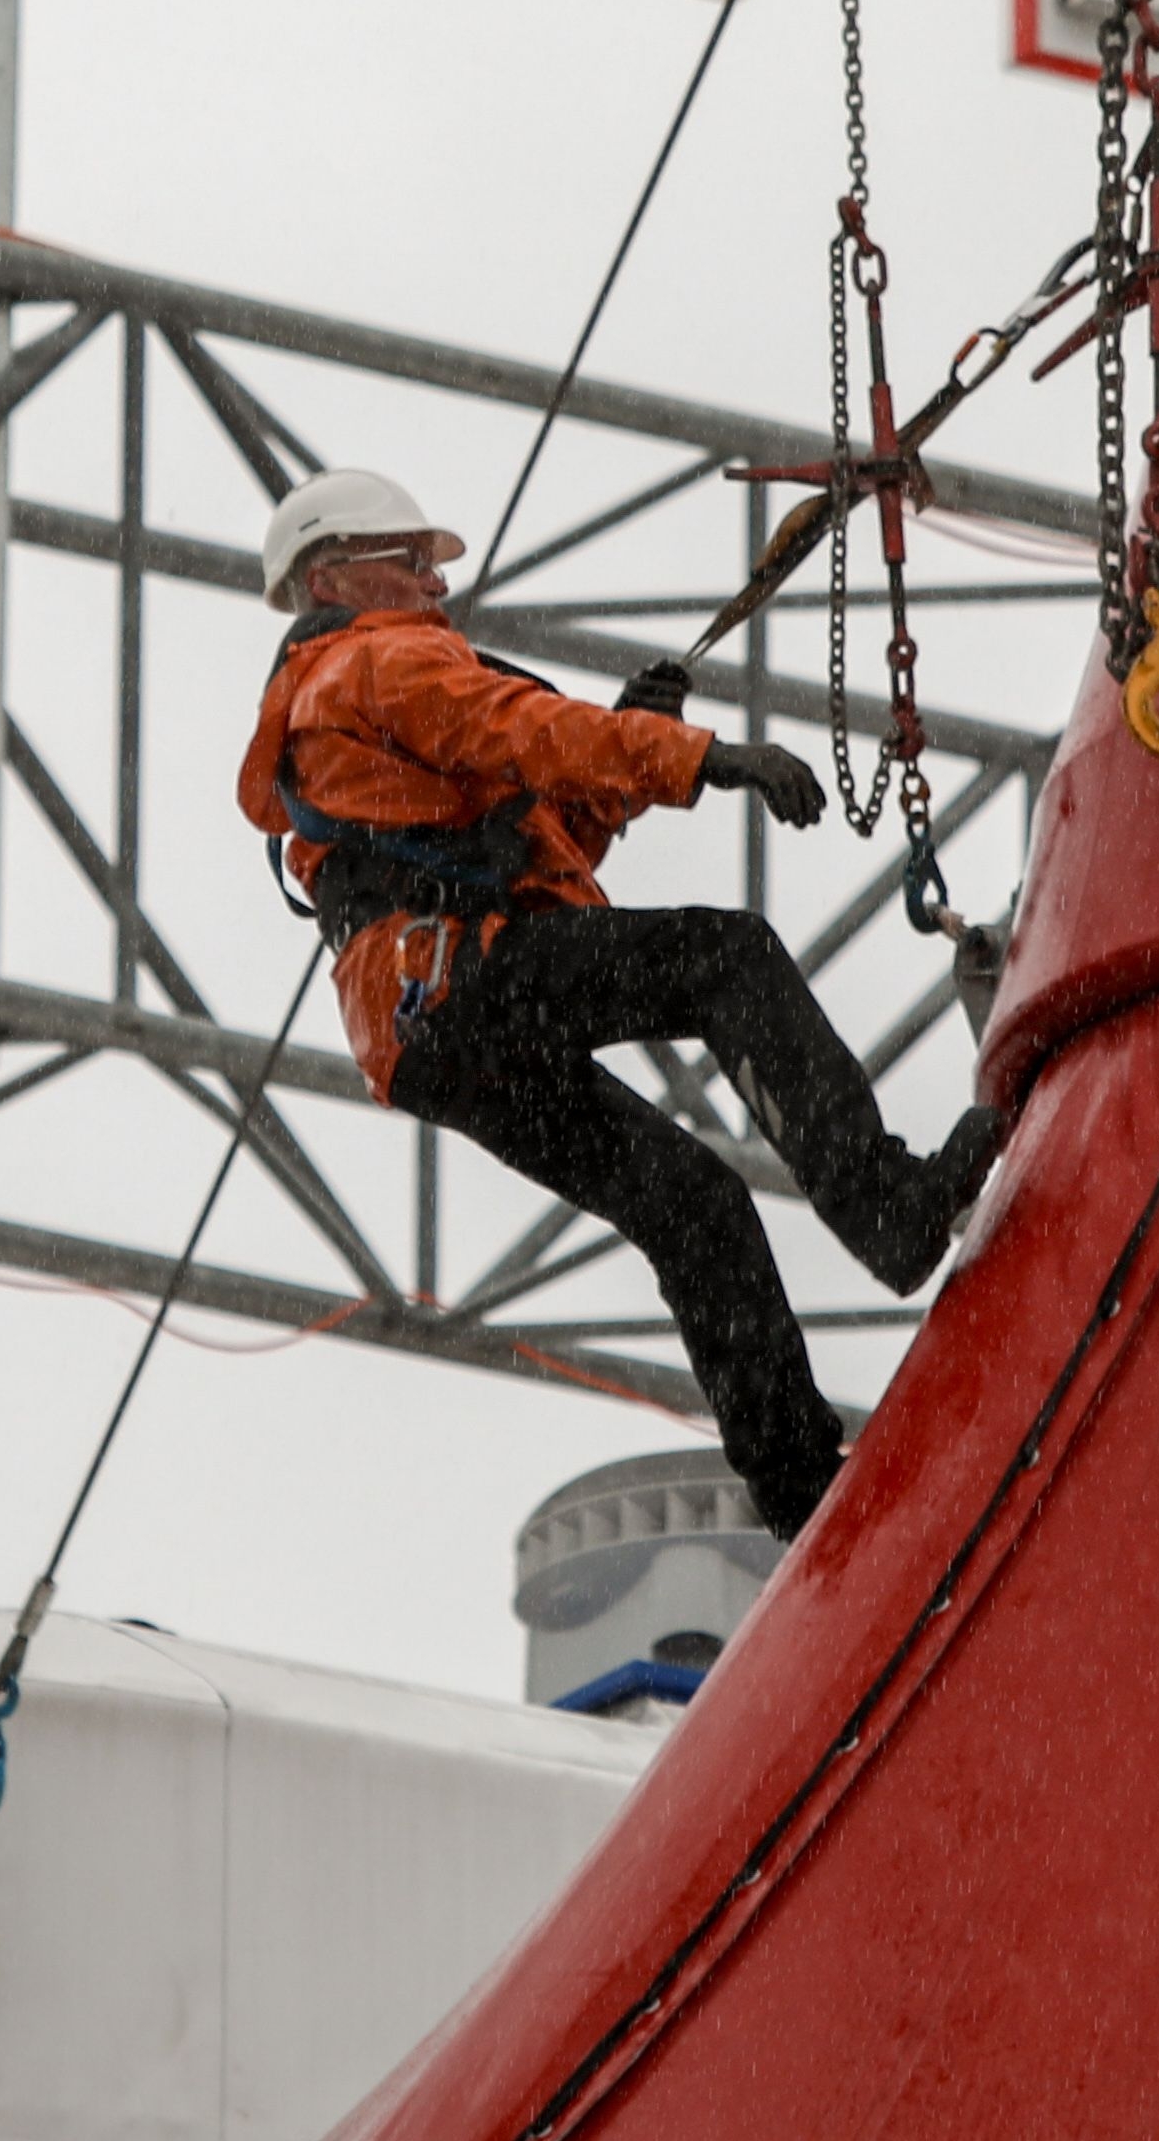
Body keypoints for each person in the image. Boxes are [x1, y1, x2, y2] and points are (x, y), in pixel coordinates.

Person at [238, 464, 1004, 1534]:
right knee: (724, 958)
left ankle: (798, 1489)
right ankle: (880, 1202)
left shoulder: (344, 701)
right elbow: (523, 729)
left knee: (686, 1201)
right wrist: (698, 757)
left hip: (435, 1020)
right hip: (463, 978)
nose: (431, 583)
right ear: (332, 576)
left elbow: (530, 854)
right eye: (409, 561)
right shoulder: (372, 660)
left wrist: (618, 775)